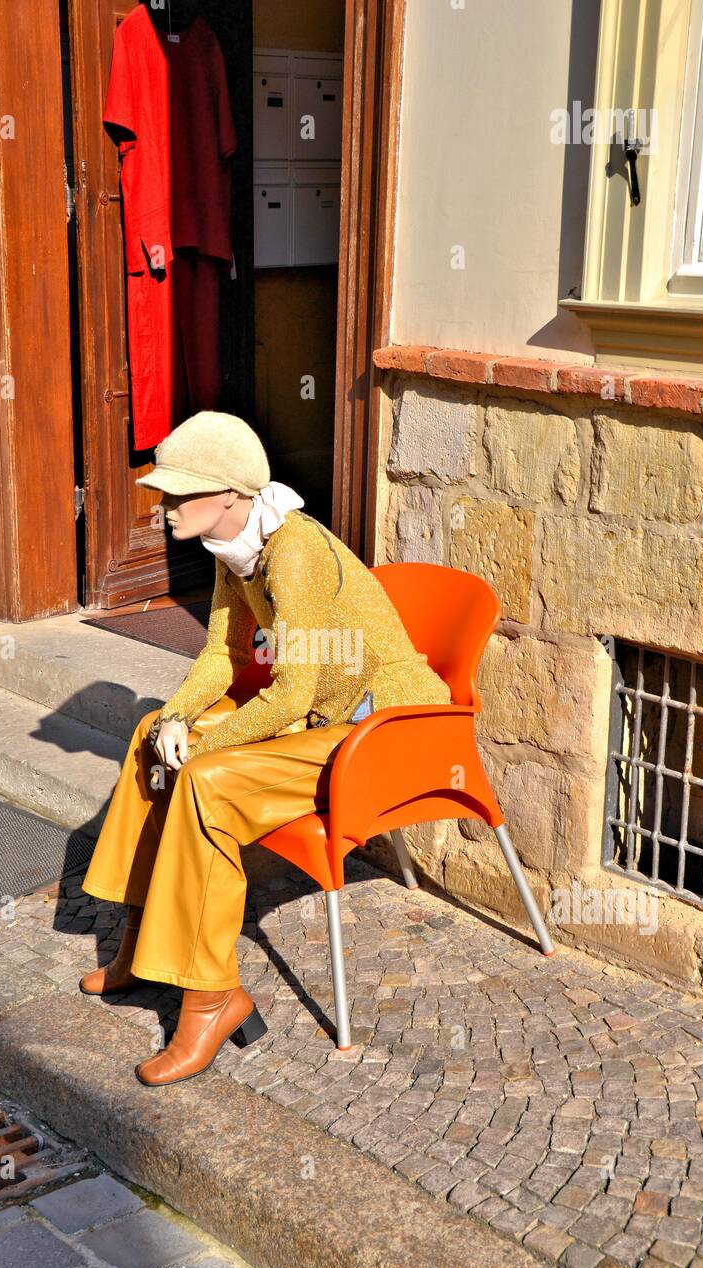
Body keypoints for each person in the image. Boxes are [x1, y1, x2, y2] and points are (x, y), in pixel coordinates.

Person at [78, 411, 452, 1086]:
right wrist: (178, 716)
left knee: (206, 780)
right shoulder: (236, 550)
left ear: (229, 496)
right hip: (322, 718)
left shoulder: (294, 553)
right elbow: (223, 655)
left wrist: (211, 740)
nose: (163, 508)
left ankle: (213, 998)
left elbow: (287, 695)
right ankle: (140, 942)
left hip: (383, 732)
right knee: (150, 740)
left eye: (178, 495)